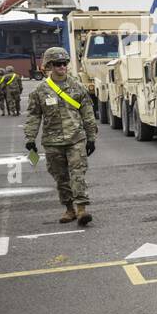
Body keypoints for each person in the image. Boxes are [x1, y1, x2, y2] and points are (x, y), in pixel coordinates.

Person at [24, 47, 97, 225]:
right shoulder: (40, 90)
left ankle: (81, 210)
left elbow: (87, 112)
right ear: (49, 66)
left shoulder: (77, 87)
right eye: (57, 64)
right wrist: (30, 139)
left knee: (77, 173)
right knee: (61, 177)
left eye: (64, 63)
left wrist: (91, 137)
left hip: (76, 139)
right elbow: (34, 115)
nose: (62, 67)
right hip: (52, 142)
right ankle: (69, 209)